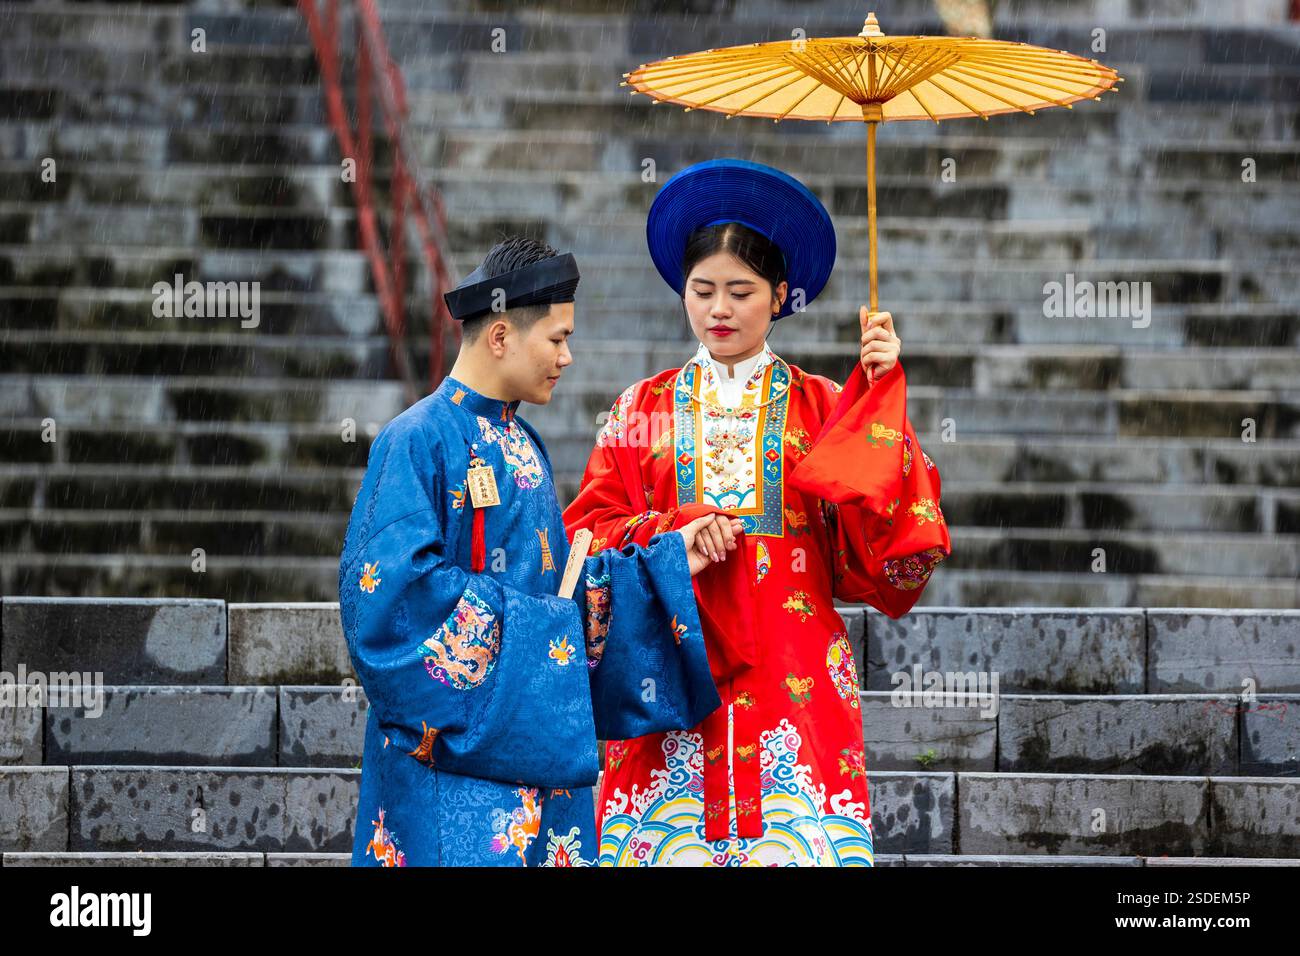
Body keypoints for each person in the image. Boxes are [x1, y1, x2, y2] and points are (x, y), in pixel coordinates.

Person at [562, 159, 952, 866]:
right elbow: (583, 538)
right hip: (674, 673)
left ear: (778, 296)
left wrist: (879, 397)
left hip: (794, 675)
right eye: (702, 290)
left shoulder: (825, 405)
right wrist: (670, 535)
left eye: (740, 292)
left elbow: (888, 537)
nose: (719, 309)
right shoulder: (639, 410)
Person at [340, 235, 740, 866]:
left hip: (536, 765)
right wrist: (543, 634)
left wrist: (662, 563)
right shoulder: (414, 439)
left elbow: (561, 593)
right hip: (446, 771)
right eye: (556, 339)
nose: (568, 356)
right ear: (501, 337)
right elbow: (393, 605)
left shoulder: (526, 443)